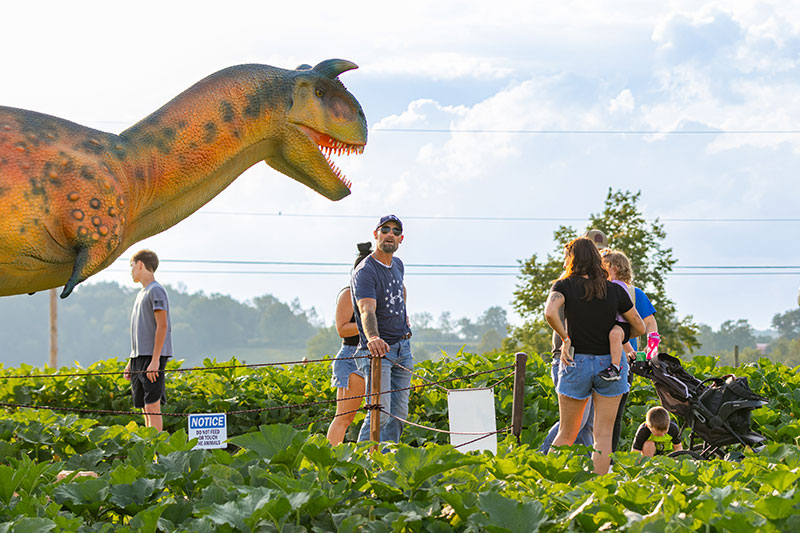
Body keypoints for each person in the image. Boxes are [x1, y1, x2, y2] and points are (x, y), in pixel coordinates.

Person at [544, 237, 645, 474]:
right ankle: (599, 488)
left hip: (575, 361)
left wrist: (565, 338)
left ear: (574, 259)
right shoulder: (613, 289)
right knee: (603, 434)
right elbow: (639, 326)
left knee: (567, 432)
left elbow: (550, 312)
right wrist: (620, 333)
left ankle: (546, 479)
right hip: (609, 365)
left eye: (566, 255)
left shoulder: (563, 285)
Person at [539, 229, 607, 454]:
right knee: (574, 424)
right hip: (568, 356)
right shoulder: (565, 283)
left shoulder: (596, 284)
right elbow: (550, 312)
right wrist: (566, 338)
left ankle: (592, 468)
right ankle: (543, 458)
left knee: (585, 424)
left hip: (584, 357)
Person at [352, 215, 413, 444]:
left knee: (399, 416)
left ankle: (387, 467)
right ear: (375, 234)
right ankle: (361, 465)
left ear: (401, 239)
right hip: (380, 352)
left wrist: (404, 314)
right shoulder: (365, 270)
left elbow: (401, 289)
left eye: (396, 231)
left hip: (403, 348)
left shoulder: (397, 264)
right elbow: (366, 309)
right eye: (385, 229)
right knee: (380, 413)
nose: (391, 234)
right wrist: (373, 338)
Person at [601, 249, 659, 452]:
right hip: (601, 356)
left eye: (603, 266)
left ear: (614, 268)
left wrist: (651, 348)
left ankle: (608, 456)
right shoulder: (599, 291)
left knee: (615, 414)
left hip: (623, 363)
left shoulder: (634, 294)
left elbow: (650, 322)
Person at [326, 242, 373, 445]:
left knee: (377, 413)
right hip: (353, 356)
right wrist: (369, 324)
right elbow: (342, 329)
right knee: (345, 417)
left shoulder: (378, 295)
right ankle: (328, 459)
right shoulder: (348, 294)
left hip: (375, 355)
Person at [124, 249, 172, 431]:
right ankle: (149, 451)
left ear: (140, 264)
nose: (131, 271)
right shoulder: (141, 293)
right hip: (139, 356)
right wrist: (131, 361)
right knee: (144, 407)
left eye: (131, 266)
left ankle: (158, 454)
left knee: (153, 405)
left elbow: (162, 326)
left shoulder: (156, 290)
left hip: (152, 357)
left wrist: (155, 361)